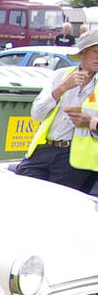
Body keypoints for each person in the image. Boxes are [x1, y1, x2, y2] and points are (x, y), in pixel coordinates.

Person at [13, 30, 98, 192]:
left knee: (57, 204)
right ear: (82, 54)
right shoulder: (60, 76)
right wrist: (61, 89)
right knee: (22, 193)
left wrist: (90, 123)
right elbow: (37, 114)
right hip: (44, 150)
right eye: (96, 52)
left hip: (75, 157)